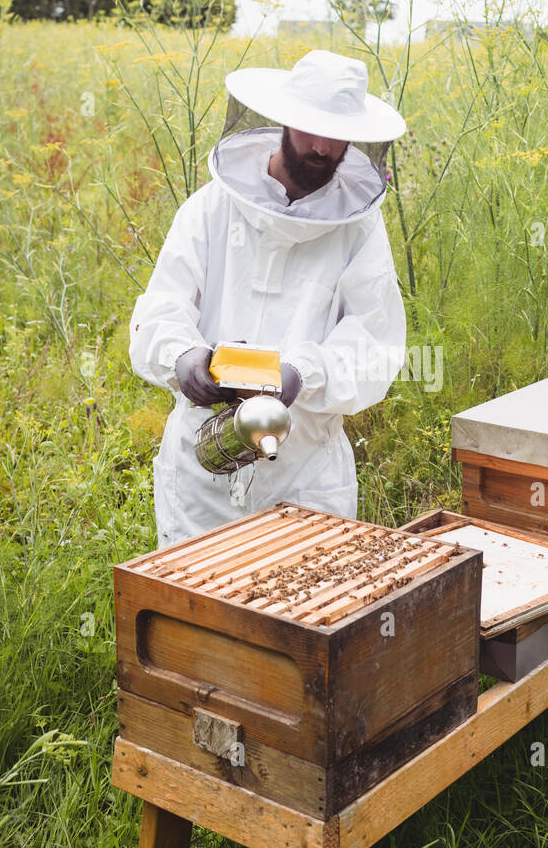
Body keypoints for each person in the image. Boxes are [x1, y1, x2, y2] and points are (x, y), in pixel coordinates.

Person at [129, 49, 407, 547]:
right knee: (197, 617)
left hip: (307, 477)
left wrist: (302, 372)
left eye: (337, 134)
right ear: (283, 121)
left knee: (305, 617)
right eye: (309, 129)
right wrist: (183, 357)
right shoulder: (211, 208)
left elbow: (374, 347)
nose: (322, 147)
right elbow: (159, 313)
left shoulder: (361, 229)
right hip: (201, 467)